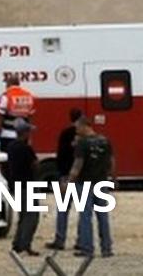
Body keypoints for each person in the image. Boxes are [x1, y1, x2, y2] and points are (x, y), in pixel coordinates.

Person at [70, 116, 115, 258]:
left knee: (85, 217)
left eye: (78, 128)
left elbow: (78, 164)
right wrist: (113, 177)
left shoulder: (82, 144)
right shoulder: (105, 141)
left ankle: (87, 248)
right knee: (103, 217)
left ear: (85, 126)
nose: (77, 131)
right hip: (102, 183)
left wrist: (70, 181)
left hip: (85, 184)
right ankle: (106, 248)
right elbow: (112, 161)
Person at [46, 108, 84, 251]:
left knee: (63, 209)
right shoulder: (86, 136)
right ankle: (81, 240)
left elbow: (60, 156)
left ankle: (60, 240)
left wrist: (62, 175)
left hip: (66, 176)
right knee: (83, 211)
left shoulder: (65, 134)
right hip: (81, 177)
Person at [7, 119, 41, 256]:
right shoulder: (26, 148)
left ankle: (16, 243)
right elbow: (35, 165)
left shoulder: (11, 147)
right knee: (31, 216)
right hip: (29, 184)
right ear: (25, 133)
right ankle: (25, 244)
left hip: (16, 185)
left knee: (22, 216)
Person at [0, 76, 36, 153]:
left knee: (7, 158)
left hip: (7, 134)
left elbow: (0, 115)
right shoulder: (28, 95)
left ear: (9, 83)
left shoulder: (6, 95)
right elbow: (30, 117)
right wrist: (30, 136)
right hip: (23, 136)